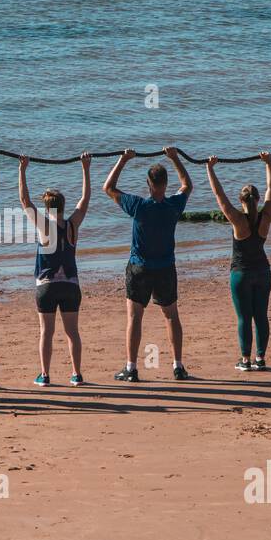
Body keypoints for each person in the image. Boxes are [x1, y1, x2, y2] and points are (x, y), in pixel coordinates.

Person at [102, 146, 192, 381]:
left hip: (139, 268)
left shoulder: (139, 206)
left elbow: (108, 188)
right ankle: (178, 366)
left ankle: (131, 368)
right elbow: (187, 185)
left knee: (134, 317)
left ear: (148, 184)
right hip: (164, 268)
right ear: (164, 183)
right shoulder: (173, 206)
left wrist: (123, 160)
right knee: (171, 315)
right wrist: (175, 158)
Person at [18, 152, 91, 385]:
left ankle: (45, 375)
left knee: (46, 332)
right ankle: (76, 374)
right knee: (72, 332)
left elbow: (25, 202)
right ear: (62, 206)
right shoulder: (72, 225)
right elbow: (85, 200)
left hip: (47, 286)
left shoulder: (43, 225)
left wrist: (22, 169)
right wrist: (85, 168)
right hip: (70, 285)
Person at [206, 153, 271, 370]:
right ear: (257, 200)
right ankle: (261, 359)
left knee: (244, 318)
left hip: (241, 274)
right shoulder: (266, 216)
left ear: (241, 200)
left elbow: (219, 195)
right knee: (261, 316)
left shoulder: (238, 220)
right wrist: (269, 164)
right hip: (263, 273)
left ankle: (245, 360)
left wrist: (210, 168)